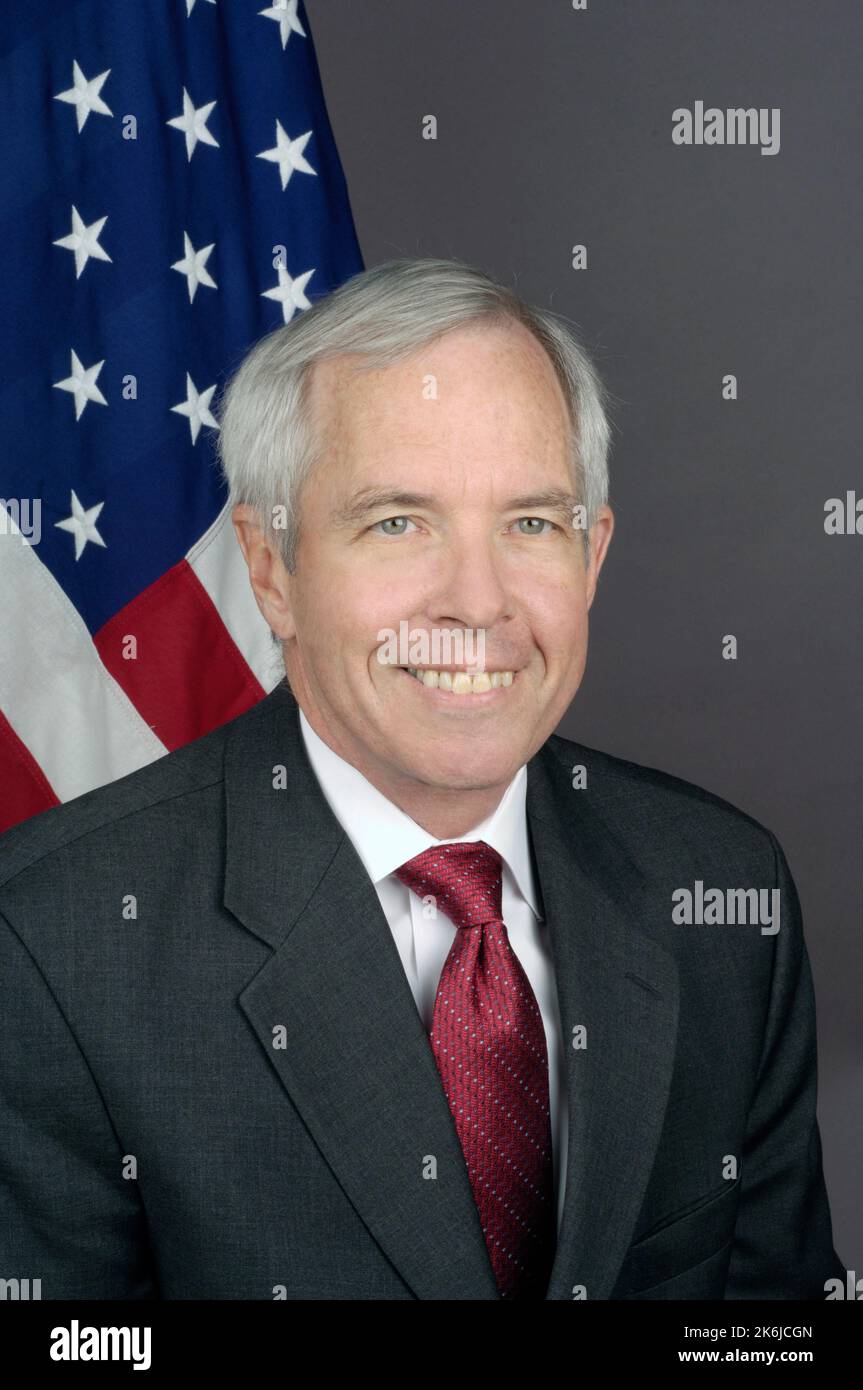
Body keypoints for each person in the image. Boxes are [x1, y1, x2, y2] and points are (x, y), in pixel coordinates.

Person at [0, 258, 845, 1299]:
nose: (475, 601)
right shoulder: (49, 941)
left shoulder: (718, 888)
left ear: (592, 556)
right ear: (272, 570)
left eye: (530, 522)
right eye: (397, 521)